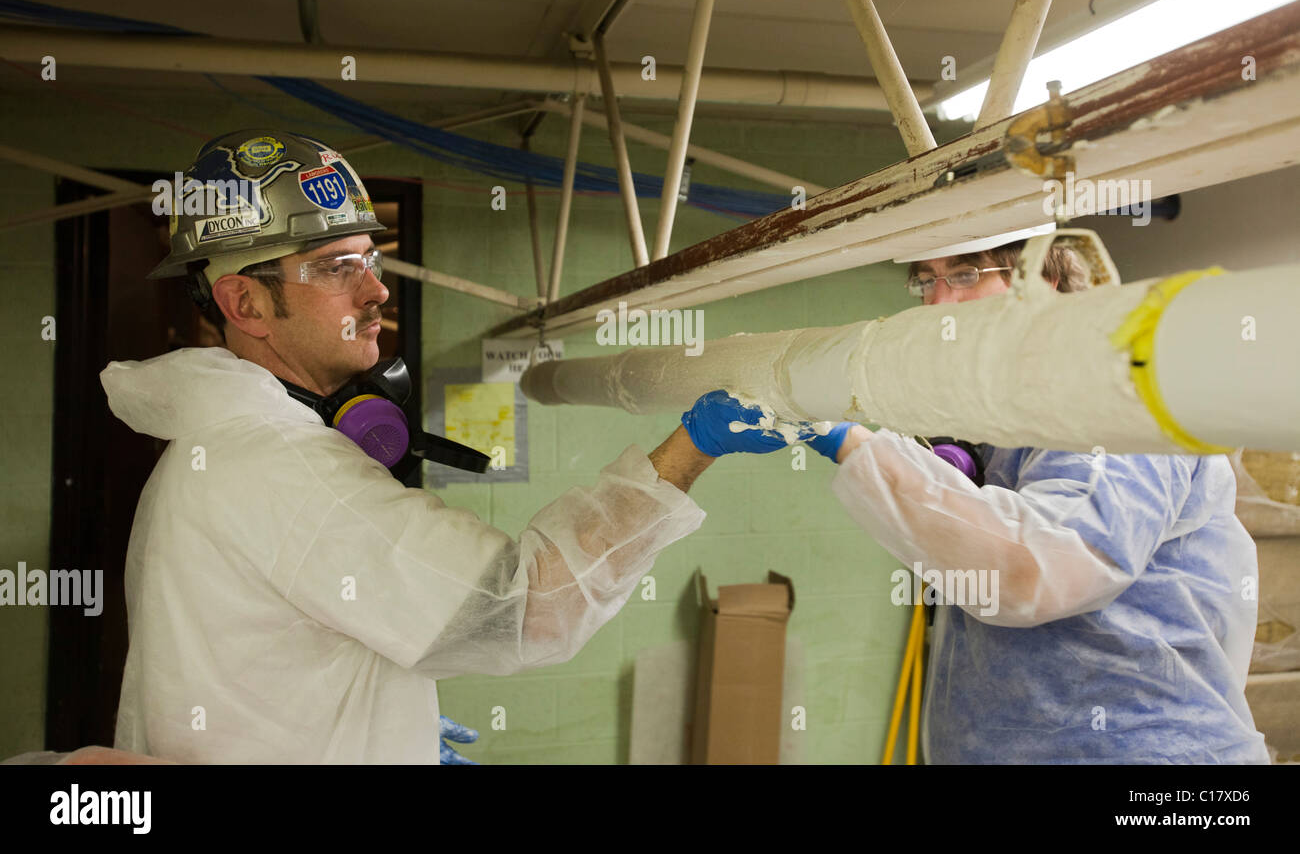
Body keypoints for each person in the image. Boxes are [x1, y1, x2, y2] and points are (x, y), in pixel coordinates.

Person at [100, 130, 791, 764]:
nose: (377, 289)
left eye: (369, 261)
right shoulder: (281, 465)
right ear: (245, 304)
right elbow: (526, 609)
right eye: (338, 267)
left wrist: (386, 723)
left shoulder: (212, 449)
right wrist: (688, 451)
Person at [802, 225, 1269, 764]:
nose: (938, 302)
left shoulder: (1114, 389)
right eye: (926, 280)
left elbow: (1045, 570)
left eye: (965, 274)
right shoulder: (1007, 408)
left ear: (1044, 276)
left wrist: (853, 446)